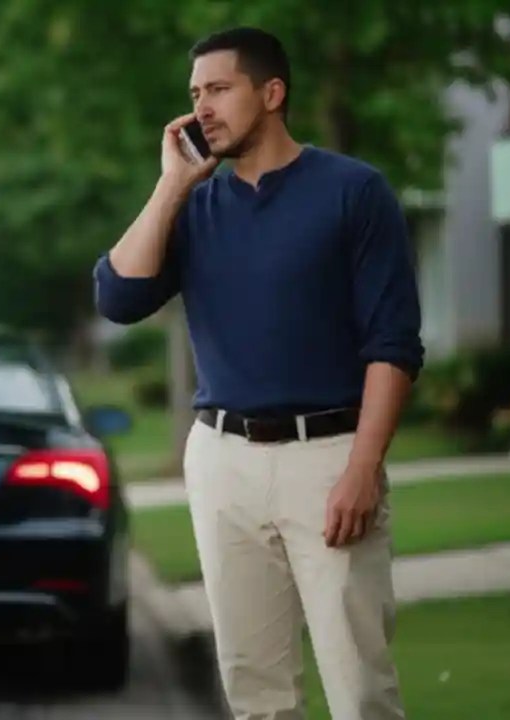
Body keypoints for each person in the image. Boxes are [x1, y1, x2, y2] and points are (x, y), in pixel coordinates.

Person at [93, 26, 422, 720]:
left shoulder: (354, 192)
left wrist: (363, 468)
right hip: (222, 462)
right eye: (194, 94)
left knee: (359, 688)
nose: (201, 108)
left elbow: (393, 345)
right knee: (254, 689)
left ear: (272, 93)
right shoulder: (194, 209)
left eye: (218, 89)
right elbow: (117, 298)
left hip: (329, 456)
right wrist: (172, 183)